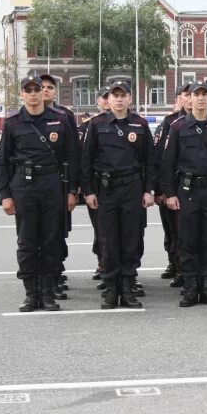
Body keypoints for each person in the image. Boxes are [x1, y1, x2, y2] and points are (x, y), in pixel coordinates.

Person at [0, 75, 78, 312]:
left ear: (43, 92)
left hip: (52, 184)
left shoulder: (60, 120)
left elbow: (72, 156)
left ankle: (48, 292)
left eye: (37, 89)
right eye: (28, 90)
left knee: (51, 240)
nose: (33, 94)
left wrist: (72, 191)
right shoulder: (12, 122)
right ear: (21, 94)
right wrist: (6, 194)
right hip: (24, 185)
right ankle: (31, 293)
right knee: (27, 242)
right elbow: (2, 161)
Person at [81, 81, 156, 309]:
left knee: (131, 239)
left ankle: (128, 287)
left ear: (130, 99)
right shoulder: (96, 125)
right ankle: (111, 289)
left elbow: (151, 161)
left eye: (124, 95)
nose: (120, 99)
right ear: (109, 100)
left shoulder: (140, 124)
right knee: (108, 240)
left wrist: (149, 190)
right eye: (115, 96)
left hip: (132, 188)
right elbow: (86, 161)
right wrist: (88, 191)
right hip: (106, 189)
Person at [161, 81, 207, 307]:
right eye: (196, 94)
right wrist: (169, 194)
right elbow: (168, 163)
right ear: (189, 99)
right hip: (187, 191)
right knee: (188, 240)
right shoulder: (178, 127)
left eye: (205, 94)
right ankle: (191, 287)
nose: (201, 98)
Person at [40, 73, 80, 298]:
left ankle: (55, 273)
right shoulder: (20, 117)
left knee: (56, 233)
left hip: (58, 183)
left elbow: (73, 152)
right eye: (41, 87)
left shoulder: (65, 116)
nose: (44, 90)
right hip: (32, 186)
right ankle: (40, 279)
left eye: (49, 87)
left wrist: (73, 188)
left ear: (55, 91)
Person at [154, 82, 192, 287]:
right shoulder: (170, 123)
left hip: (197, 187)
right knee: (174, 231)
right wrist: (161, 190)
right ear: (178, 99)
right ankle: (177, 266)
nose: (190, 98)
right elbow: (160, 157)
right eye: (186, 94)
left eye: (192, 94)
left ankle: (191, 271)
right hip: (174, 186)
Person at [78, 86, 110, 281]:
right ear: (98, 101)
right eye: (104, 97)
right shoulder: (88, 126)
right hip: (98, 185)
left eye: (109, 97)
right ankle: (102, 263)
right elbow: (82, 159)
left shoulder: (132, 124)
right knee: (100, 229)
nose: (107, 100)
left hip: (126, 187)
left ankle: (125, 272)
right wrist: (85, 186)